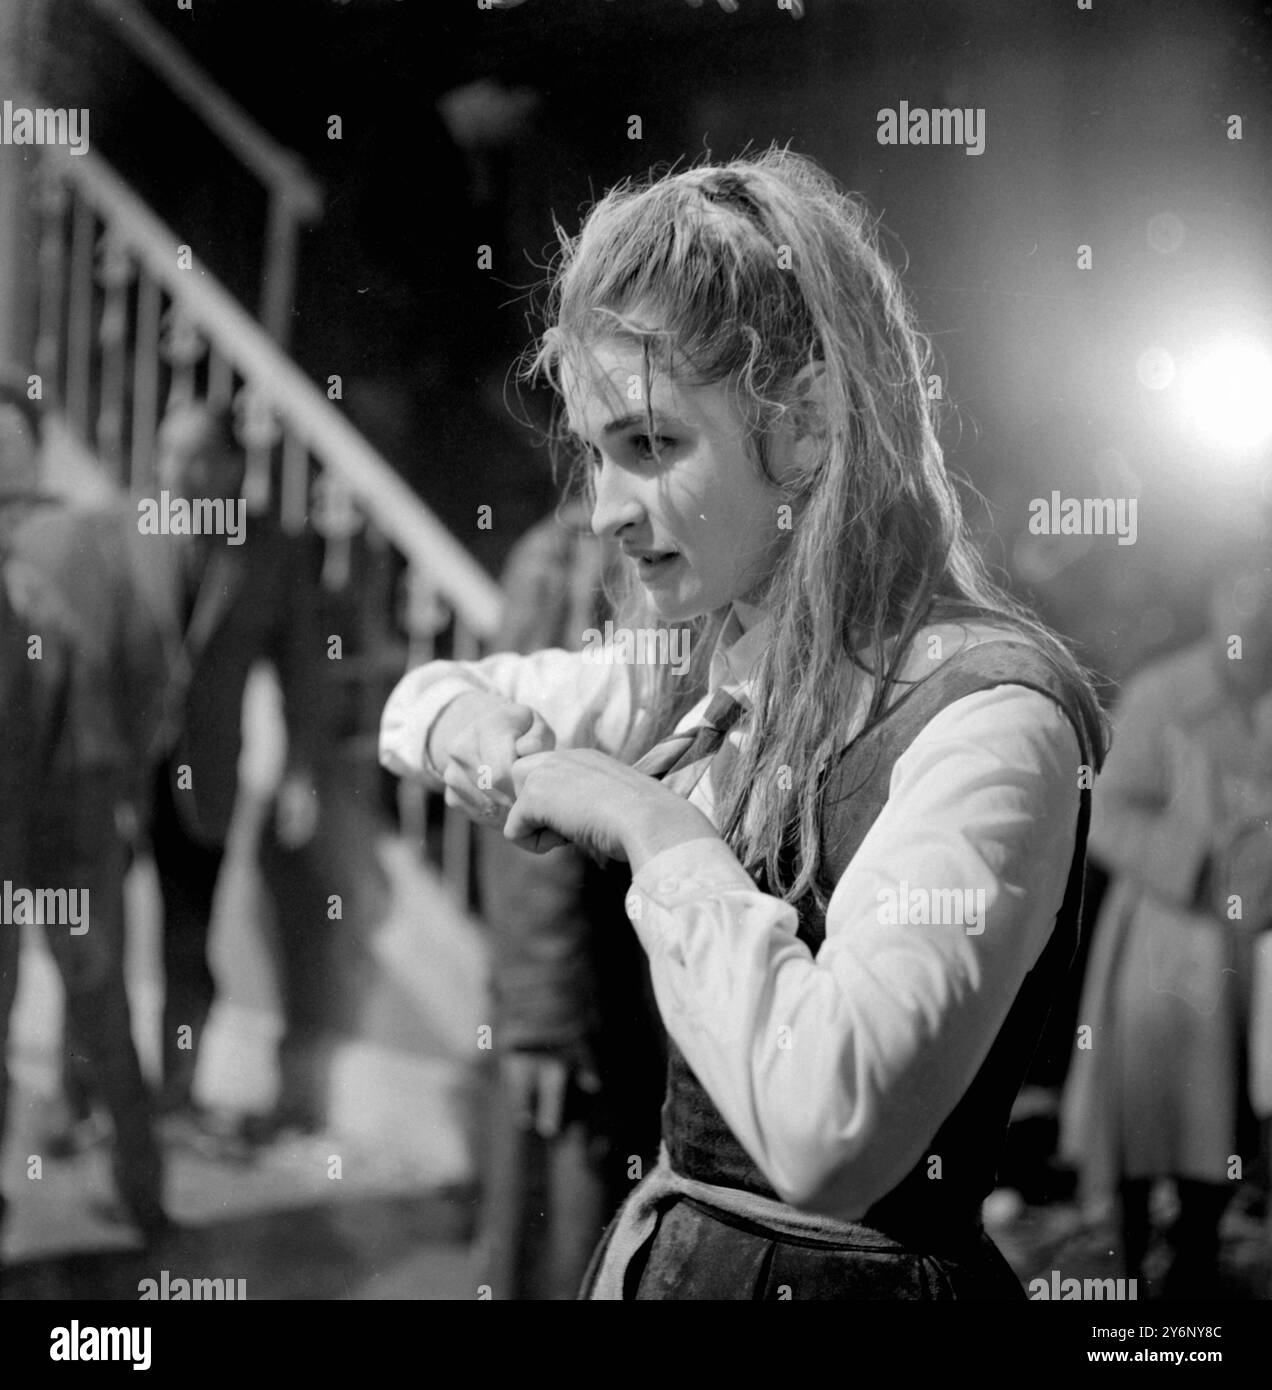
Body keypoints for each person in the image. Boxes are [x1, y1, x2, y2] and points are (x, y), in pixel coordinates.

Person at [380, 149, 1108, 1300]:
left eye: (651, 445)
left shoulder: (988, 722)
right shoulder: (703, 661)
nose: (605, 511)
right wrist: (471, 722)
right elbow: (418, 702)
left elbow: (830, 1130)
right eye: (595, 453)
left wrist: (657, 830)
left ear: (806, 424)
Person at [1061, 544, 1272, 1298]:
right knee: (1146, 1114)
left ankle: (1197, 1266)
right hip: (1164, 941)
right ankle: (1126, 1271)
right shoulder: (1165, 692)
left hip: (1252, 951)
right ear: (1218, 604)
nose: (1258, 620)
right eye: (1246, 600)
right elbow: (1106, 814)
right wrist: (1195, 866)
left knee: (1225, 1119)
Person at [474, 497, 666, 1299]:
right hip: (582, 987)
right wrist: (544, 1017)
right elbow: (527, 792)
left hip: (632, 976)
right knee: (562, 1229)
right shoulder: (567, 566)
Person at [0, 375, 171, 1243]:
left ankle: (143, 1197)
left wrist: (119, 780)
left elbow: (148, 667)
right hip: (38, 816)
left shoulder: (89, 542)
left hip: (74, 816)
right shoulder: (93, 539)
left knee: (101, 1004)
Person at [136, 401, 329, 1139]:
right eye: (167, 453)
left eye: (196, 457)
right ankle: (84, 1095)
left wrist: (300, 771)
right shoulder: (128, 530)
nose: (176, 472)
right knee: (89, 935)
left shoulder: (269, 550)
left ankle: (174, 1101)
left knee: (187, 941)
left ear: (232, 467)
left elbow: (302, 669)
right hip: (115, 769)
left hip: (206, 774)